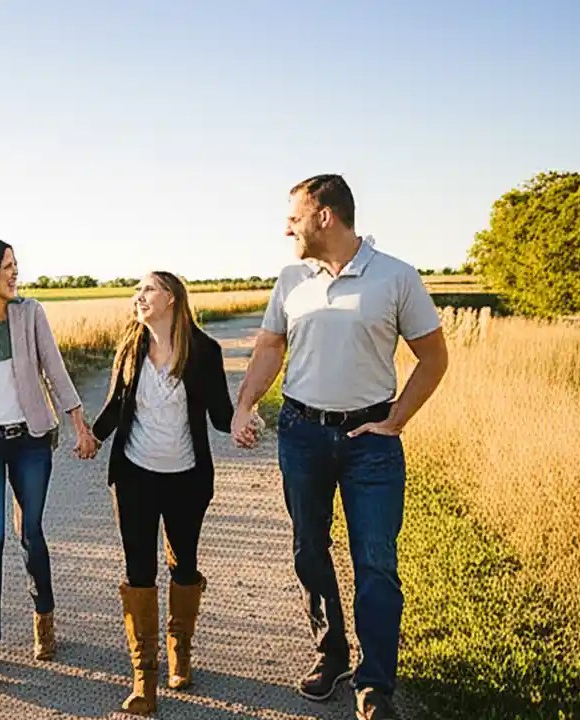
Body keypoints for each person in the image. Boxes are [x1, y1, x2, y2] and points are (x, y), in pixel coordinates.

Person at [231, 175, 448, 720]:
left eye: (294, 217)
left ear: (325, 216)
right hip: (302, 434)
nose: (287, 227)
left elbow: (433, 358)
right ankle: (330, 655)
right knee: (309, 549)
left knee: (375, 562)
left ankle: (375, 684)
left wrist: (396, 420)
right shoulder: (290, 280)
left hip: (369, 441)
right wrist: (244, 404)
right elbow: (270, 347)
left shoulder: (396, 277)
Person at [0, 238, 99, 689]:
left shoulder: (30, 314)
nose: (15, 272)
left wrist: (79, 423)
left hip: (30, 440)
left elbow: (55, 369)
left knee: (30, 533)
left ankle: (43, 613)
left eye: (15, 264)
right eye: (7, 266)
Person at [88, 271, 235, 715]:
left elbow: (222, 416)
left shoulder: (204, 351)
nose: (139, 297)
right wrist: (92, 437)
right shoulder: (131, 347)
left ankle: (181, 651)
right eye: (137, 292)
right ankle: (143, 677)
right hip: (134, 477)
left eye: (147, 289)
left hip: (186, 479)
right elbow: (117, 405)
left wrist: (248, 416)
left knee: (183, 565)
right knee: (138, 570)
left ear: (171, 298)